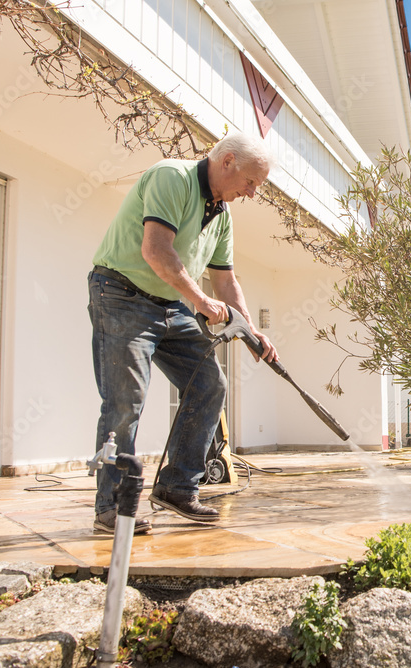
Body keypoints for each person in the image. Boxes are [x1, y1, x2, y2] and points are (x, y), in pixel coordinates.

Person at [88, 131, 278, 534]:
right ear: (227, 161)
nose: (252, 192)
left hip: (168, 303)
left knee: (210, 384)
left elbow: (226, 284)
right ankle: (112, 507)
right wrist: (201, 302)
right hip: (120, 293)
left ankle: (177, 487)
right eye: (251, 181)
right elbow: (157, 251)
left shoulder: (222, 217)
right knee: (126, 399)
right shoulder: (171, 178)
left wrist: (250, 332)